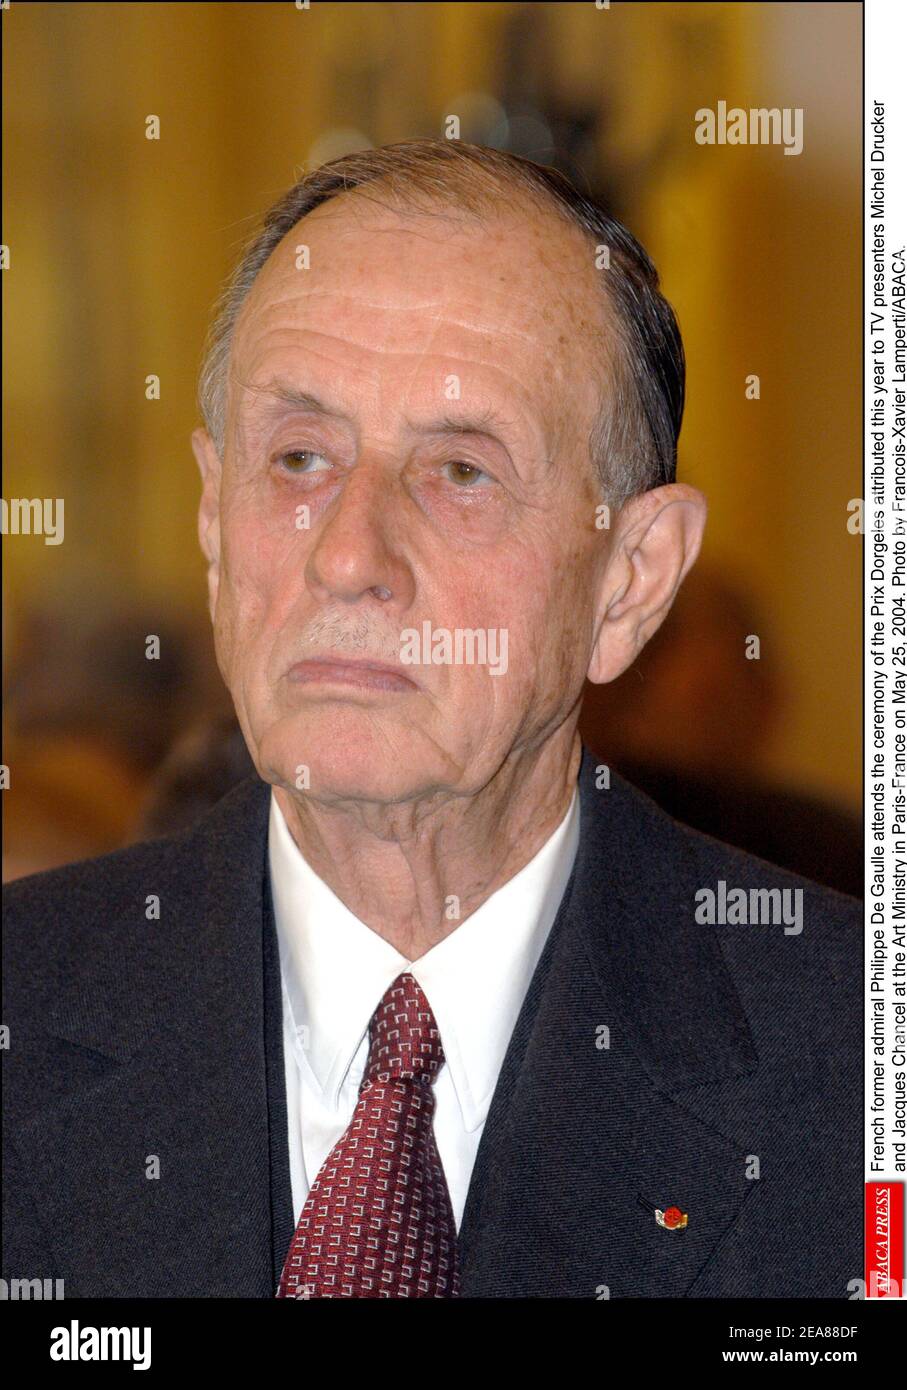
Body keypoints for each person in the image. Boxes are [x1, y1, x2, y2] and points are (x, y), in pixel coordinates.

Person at [2, 140, 860, 1299]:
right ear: (214, 521)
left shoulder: (855, 1073)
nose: (349, 556)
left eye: (460, 472)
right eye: (299, 458)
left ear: (633, 579)